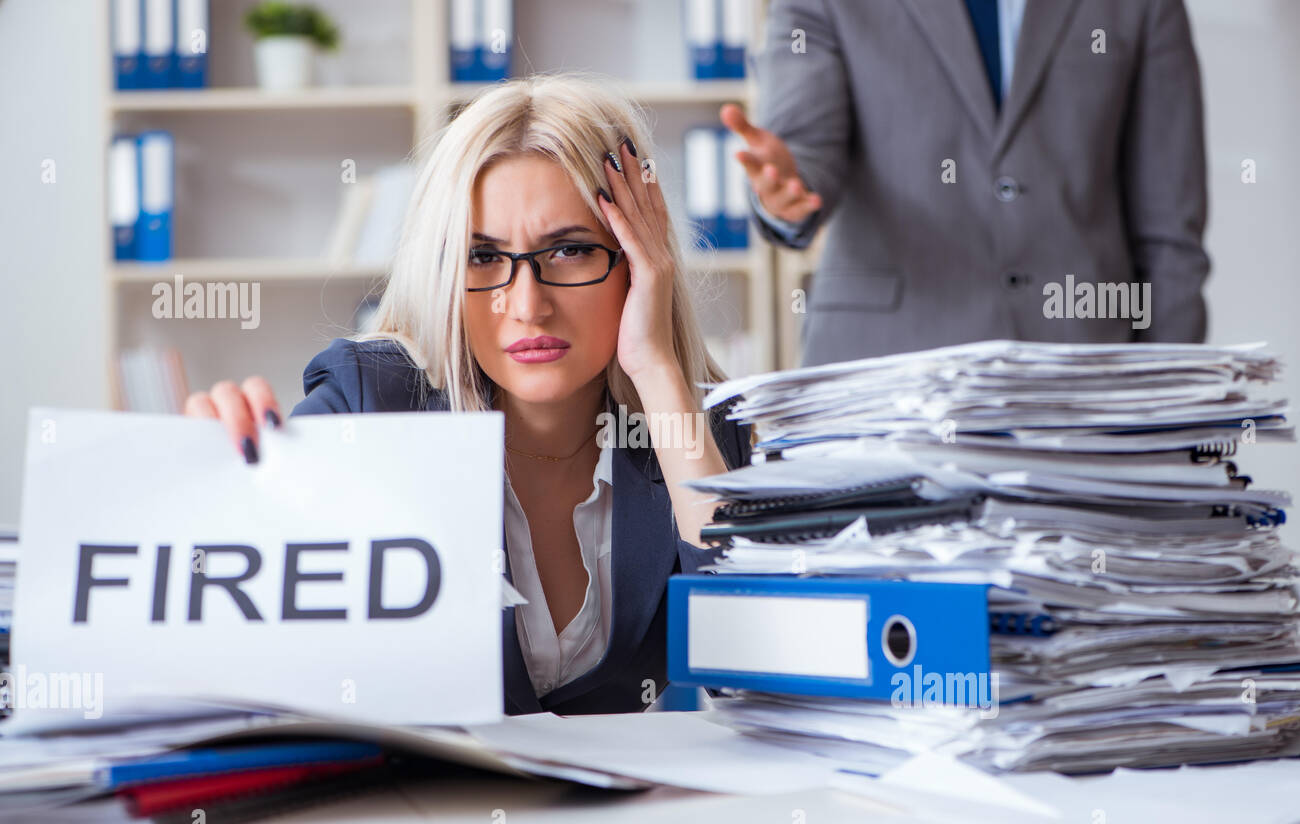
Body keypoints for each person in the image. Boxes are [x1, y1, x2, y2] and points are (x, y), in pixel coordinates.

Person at [183, 75, 751, 716]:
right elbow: (230, 623)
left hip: (615, 814)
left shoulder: (698, 438)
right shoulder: (373, 402)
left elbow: (755, 670)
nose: (528, 306)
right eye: (483, 257)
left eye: (568, 250)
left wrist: (655, 367)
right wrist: (214, 486)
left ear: (638, 259)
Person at [722, 0, 1210, 365]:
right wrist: (785, 189)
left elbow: (1171, 237)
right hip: (882, 377)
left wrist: (1171, 409)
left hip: (1082, 374)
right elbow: (802, 151)